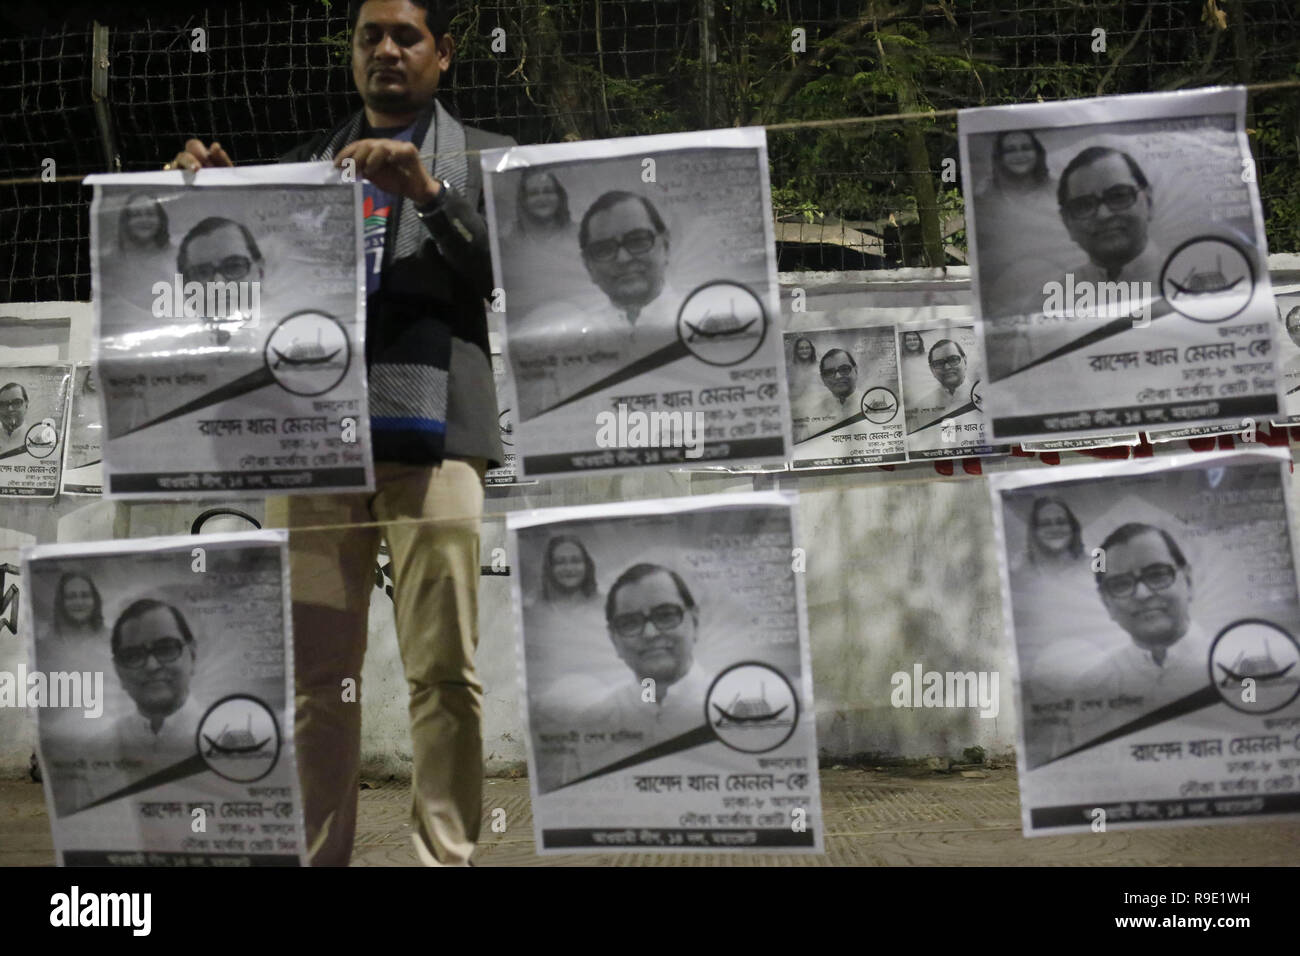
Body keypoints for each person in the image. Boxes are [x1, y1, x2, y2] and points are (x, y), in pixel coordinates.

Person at [167, 0, 514, 867]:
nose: (386, 50)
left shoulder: (486, 156)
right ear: (352, 53)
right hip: (311, 441)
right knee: (315, 680)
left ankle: (445, 858)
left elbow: (504, 270)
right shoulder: (304, 166)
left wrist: (427, 192)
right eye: (370, 37)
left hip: (438, 438)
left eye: (406, 36)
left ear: (444, 53)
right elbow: (248, 295)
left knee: (445, 673)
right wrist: (213, 200)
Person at [535, 563, 710, 788]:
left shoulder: (738, 707)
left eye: (666, 615)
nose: (650, 633)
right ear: (614, 640)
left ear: (695, 622)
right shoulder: (591, 727)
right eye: (630, 623)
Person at [513, 190, 679, 415]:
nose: (623, 258)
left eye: (638, 240)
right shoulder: (567, 346)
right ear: (588, 266)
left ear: (666, 246)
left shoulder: (707, 321)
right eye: (604, 249)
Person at [107, 599, 205, 762]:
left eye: (166, 649)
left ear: (193, 657)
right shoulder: (99, 747)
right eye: (133, 656)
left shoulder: (224, 736)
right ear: (119, 671)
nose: (151, 666)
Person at [540, 535, 598, 606]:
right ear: (550, 568)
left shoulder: (605, 604)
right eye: (560, 562)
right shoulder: (534, 607)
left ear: (587, 565)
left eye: (576, 561)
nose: (569, 568)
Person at [52, 572, 104, 639]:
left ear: (95, 600)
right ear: (61, 602)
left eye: (85, 595)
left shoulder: (111, 638)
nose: (79, 603)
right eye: (71, 597)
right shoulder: (46, 641)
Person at [0, 383, 29, 455]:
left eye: (16, 403)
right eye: (3, 404)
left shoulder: (34, 438)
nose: (10, 409)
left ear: (26, 405)